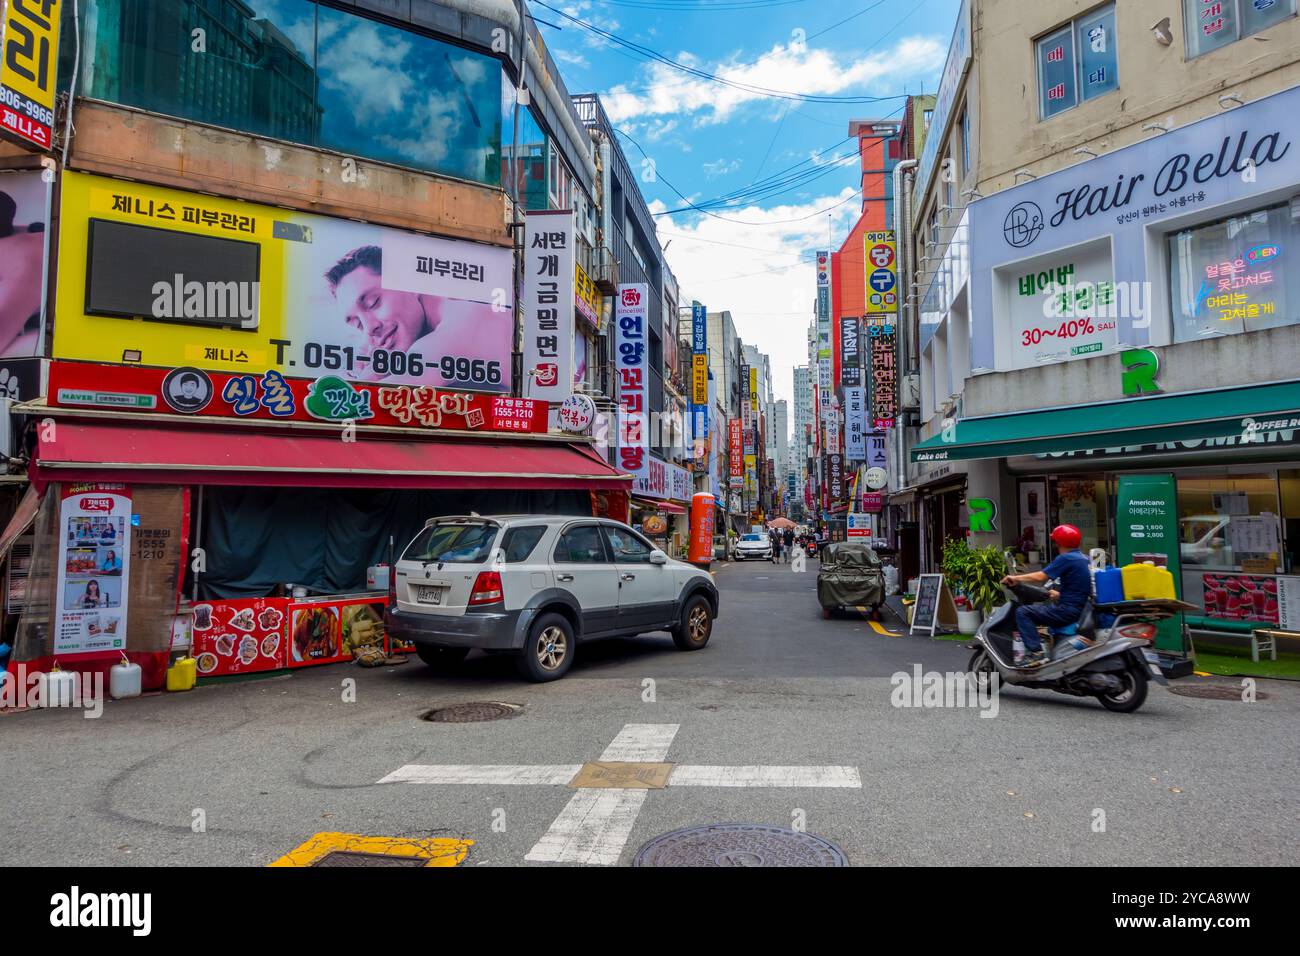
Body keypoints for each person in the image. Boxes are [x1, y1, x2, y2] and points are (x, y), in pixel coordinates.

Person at [326, 245, 511, 389]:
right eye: (358, 324)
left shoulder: (459, 327)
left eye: (373, 303)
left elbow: (362, 403)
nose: (369, 328)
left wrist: (368, 373)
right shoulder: (456, 315)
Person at [1001, 524, 1091, 668]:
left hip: (1067, 611)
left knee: (1023, 612)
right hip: (1079, 608)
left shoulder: (1066, 558)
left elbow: (1041, 576)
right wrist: (1060, 595)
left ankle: (1037, 653)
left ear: (1059, 543)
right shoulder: (1083, 558)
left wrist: (1016, 578)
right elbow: (1078, 586)